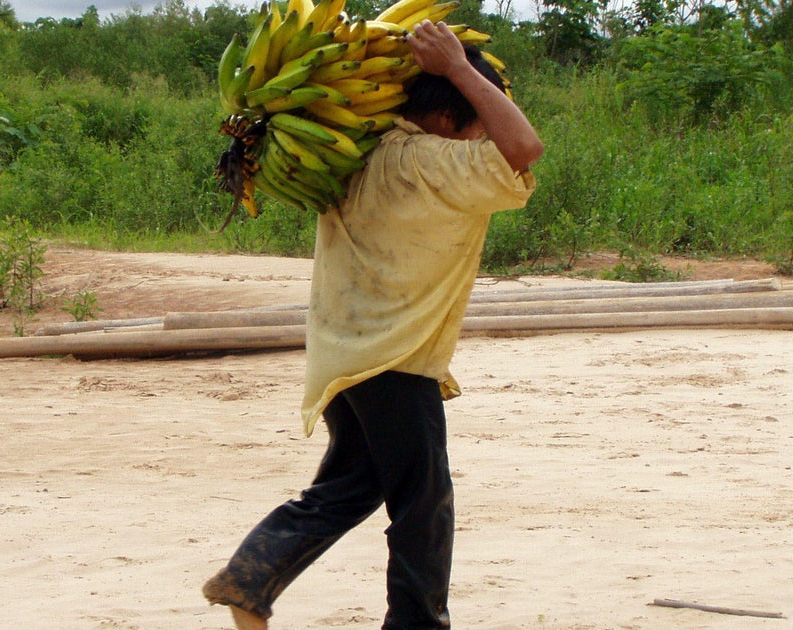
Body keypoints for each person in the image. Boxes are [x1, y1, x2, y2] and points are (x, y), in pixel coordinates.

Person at [202, 19, 544, 630]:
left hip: (343, 361)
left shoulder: (363, 158)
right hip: (395, 361)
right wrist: (461, 69)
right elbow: (523, 149)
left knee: (349, 489)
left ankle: (250, 578)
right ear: (447, 118)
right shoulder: (434, 163)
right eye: (472, 122)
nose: (477, 138)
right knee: (424, 505)